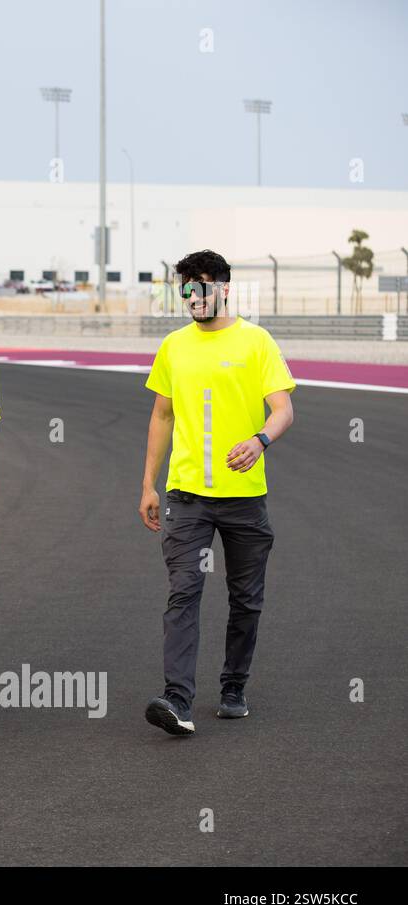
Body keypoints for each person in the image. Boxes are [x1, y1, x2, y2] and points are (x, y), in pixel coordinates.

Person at [139, 249, 296, 736]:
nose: (192, 296)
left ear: (224, 288)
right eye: (185, 288)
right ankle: (177, 699)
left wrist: (260, 440)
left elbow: (283, 410)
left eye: (202, 286)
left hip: (245, 499)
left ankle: (233, 686)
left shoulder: (256, 342)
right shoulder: (174, 347)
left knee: (245, 598)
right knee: (183, 592)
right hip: (186, 497)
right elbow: (162, 416)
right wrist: (148, 481)